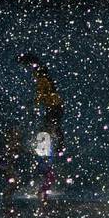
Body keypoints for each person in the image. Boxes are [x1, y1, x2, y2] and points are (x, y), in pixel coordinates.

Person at [17, 53, 63, 206]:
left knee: (50, 128)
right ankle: (56, 144)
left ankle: (58, 144)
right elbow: (43, 93)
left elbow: (42, 93)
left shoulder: (43, 80)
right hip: (54, 106)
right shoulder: (44, 80)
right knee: (49, 128)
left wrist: (35, 102)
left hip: (54, 107)